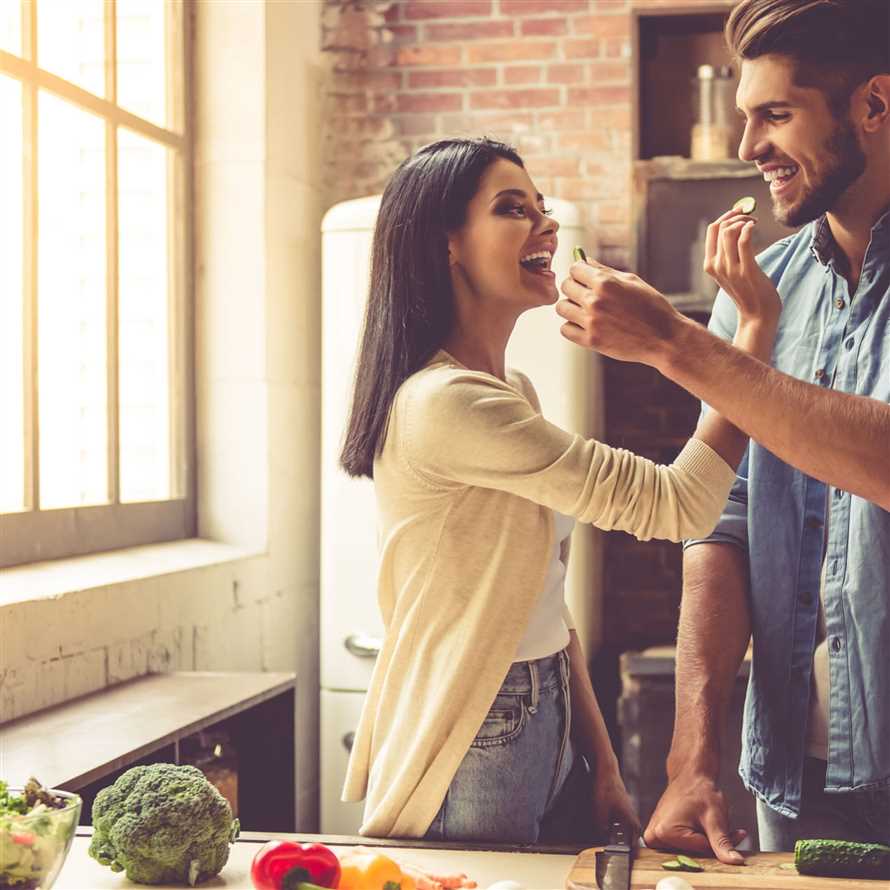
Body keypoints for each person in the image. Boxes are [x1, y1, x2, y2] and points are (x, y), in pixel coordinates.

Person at [338, 136, 779, 844]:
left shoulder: (510, 392)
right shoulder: (448, 404)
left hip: (536, 708)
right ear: (445, 244)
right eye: (513, 209)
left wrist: (598, 761)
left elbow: (541, 598)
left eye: (541, 206)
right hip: (476, 724)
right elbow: (680, 504)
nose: (544, 224)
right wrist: (750, 333)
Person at [557, 0, 890, 859]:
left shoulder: (736, 316)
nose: (748, 148)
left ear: (874, 105)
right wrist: (692, 752)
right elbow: (724, 523)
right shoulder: (771, 283)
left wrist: (676, 343)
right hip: (798, 776)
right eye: (745, 117)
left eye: (775, 114)